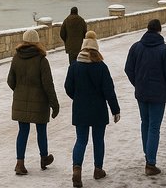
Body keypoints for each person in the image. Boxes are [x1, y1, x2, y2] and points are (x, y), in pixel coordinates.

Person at [65, 31, 120, 187]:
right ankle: (98, 169)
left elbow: (68, 87)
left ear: (83, 49)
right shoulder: (101, 67)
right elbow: (109, 90)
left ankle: (77, 169)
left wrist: (77, 98)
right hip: (98, 110)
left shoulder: (74, 66)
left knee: (81, 140)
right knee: (98, 140)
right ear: (96, 49)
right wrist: (115, 110)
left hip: (80, 109)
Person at [124, 19, 166, 176]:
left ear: (147, 29)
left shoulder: (136, 47)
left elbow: (128, 69)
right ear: (159, 30)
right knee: (154, 127)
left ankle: (148, 155)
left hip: (142, 93)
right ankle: (150, 163)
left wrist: (137, 83)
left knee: (145, 124)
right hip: (158, 94)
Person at [7, 29, 60, 176]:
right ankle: (44, 158)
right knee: (41, 131)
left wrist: (19, 92)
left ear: (23, 41)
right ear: (37, 42)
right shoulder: (42, 60)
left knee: (22, 132)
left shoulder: (16, 58)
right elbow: (48, 85)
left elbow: (10, 81)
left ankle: (20, 163)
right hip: (40, 102)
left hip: (20, 102)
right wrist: (54, 104)